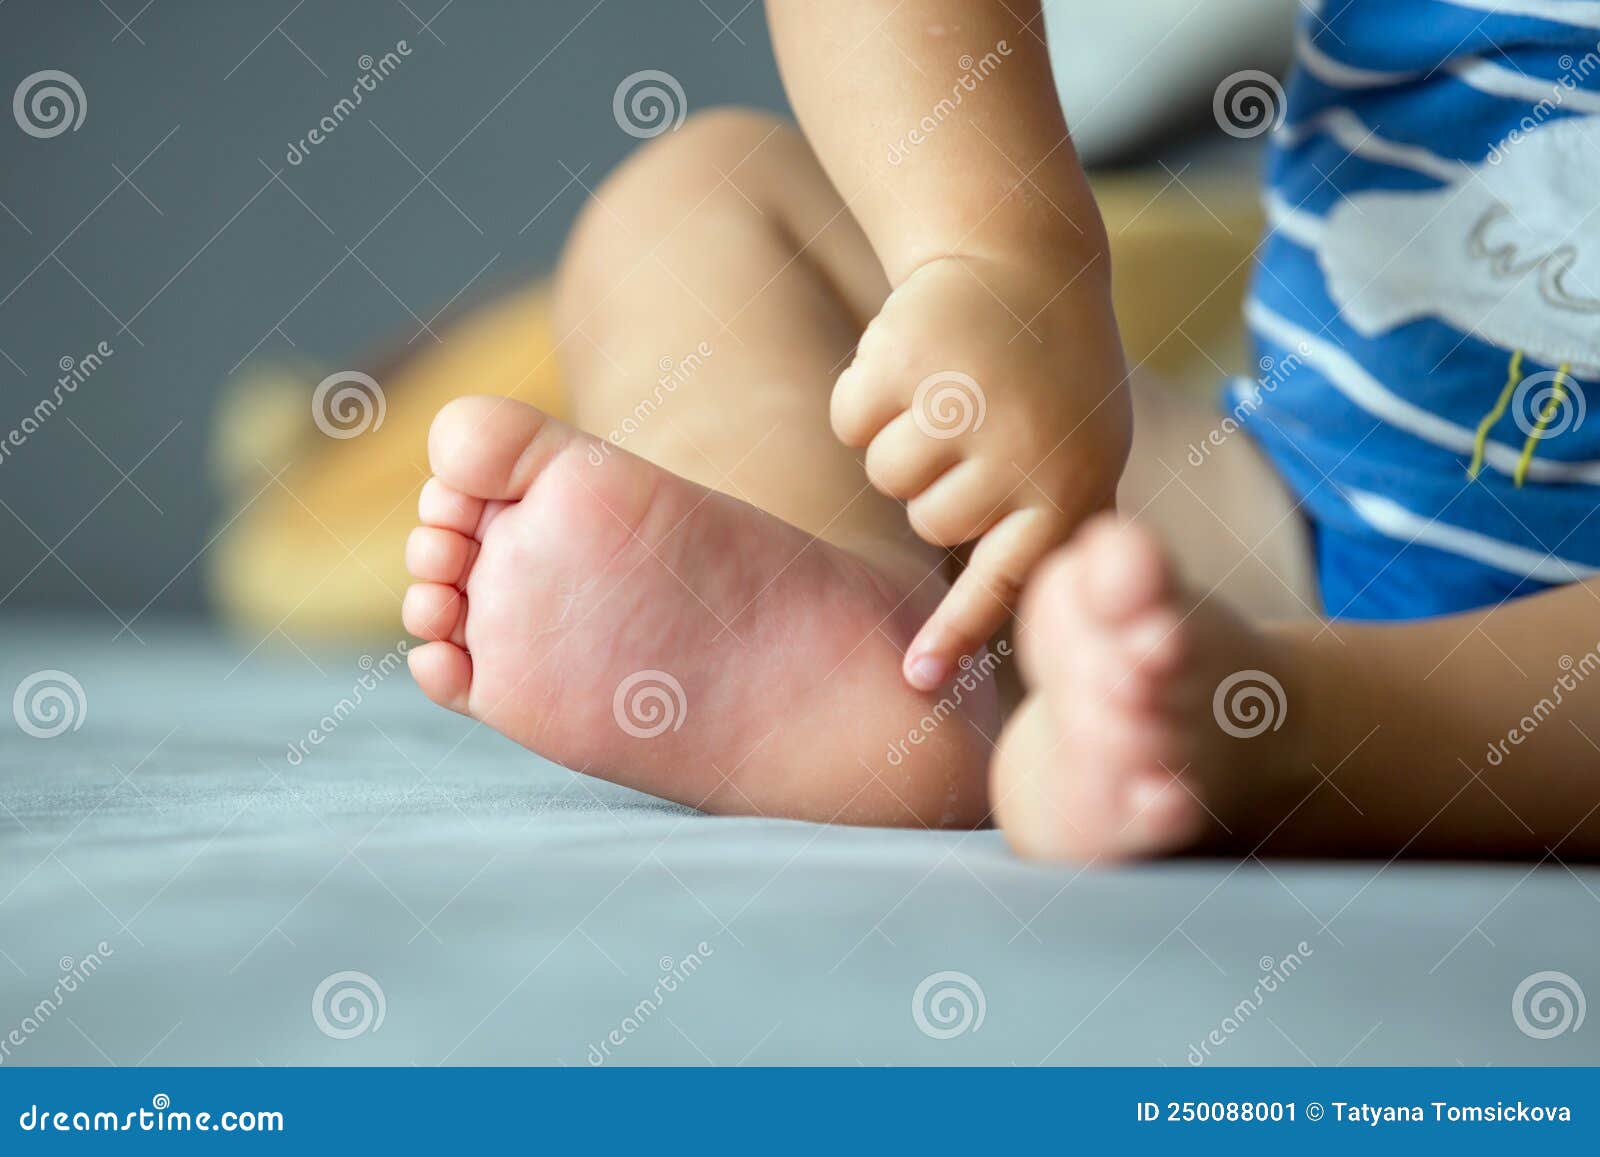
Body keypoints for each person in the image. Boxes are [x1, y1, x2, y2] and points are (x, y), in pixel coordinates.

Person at [399, 0, 1600, 860]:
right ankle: (890, 646)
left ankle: (1276, 724)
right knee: (702, 200)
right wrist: (991, 252)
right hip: (1287, 513)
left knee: (1222, 685)